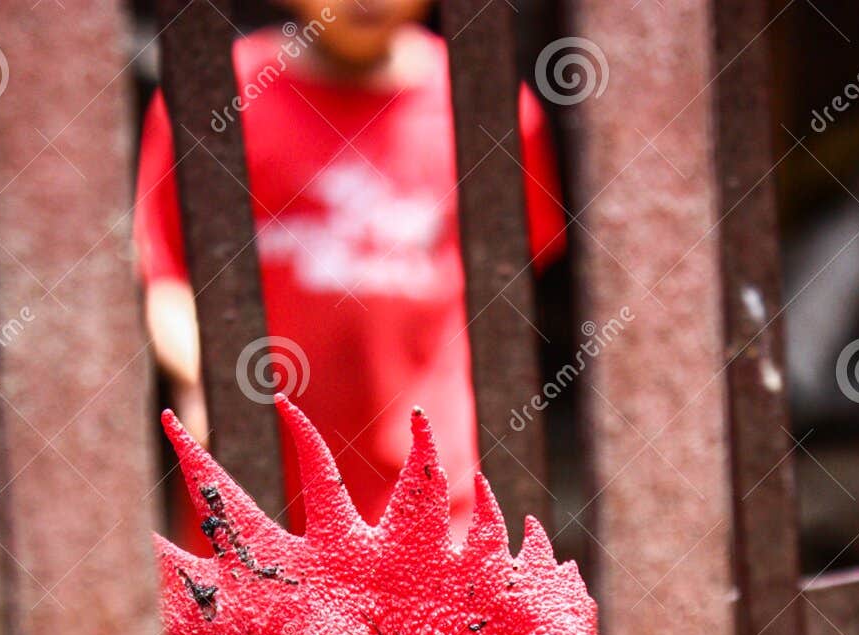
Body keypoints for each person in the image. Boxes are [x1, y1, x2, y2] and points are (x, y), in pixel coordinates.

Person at [134, 0, 565, 534]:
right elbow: (166, 278)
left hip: (436, 489)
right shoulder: (213, 96)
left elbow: (515, 281)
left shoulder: (489, 104)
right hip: (255, 487)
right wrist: (207, 386)